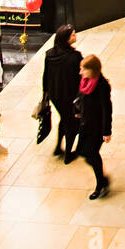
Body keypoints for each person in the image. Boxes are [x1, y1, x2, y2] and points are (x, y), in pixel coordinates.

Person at [42, 25, 82, 163]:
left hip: (55, 95)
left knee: (64, 119)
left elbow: (45, 76)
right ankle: (68, 154)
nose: (75, 37)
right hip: (70, 96)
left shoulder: (49, 55)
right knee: (73, 124)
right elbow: (80, 78)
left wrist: (45, 93)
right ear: (65, 39)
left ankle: (58, 147)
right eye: (72, 35)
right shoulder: (75, 57)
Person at [75, 54, 113, 200]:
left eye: (83, 69)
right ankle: (102, 180)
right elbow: (81, 98)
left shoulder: (101, 86)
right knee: (83, 152)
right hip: (85, 123)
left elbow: (106, 109)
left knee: (92, 153)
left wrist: (106, 131)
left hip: (96, 127)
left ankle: (100, 184)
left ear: (92, 70)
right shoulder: (85, 82)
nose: (80, 73)